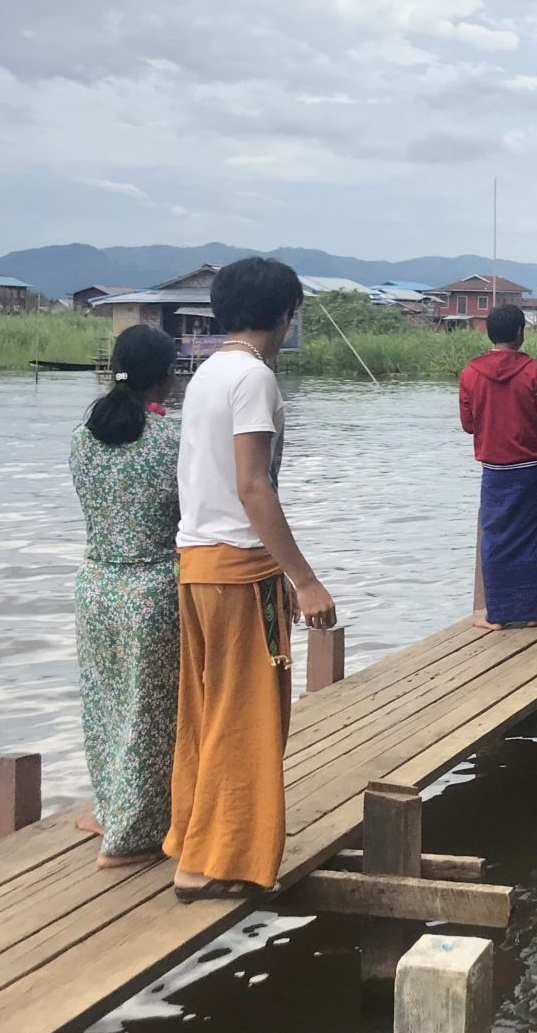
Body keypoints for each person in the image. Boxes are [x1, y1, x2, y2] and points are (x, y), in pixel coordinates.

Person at [165, 256, 337, 902]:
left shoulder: (207, 372)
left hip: (197, 562)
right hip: (240, 569)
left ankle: (191, 838)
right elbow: (252, 484)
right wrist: (305, 580)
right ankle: (216, 860)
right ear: (284, 316)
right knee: (248, 716)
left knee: (206, 710)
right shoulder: (254, 379)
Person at [69, 323, 181, 868]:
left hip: (96, 586)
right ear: (165, 376)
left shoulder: (82, 437)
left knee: (105, 706)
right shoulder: (169, 440)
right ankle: (132, 836)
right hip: (153, 587)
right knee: (152, 715)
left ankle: (111, 809)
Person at [460, 303, 537, 630]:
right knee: (532, 538)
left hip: (494, 470)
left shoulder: (470, 372)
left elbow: (468, 424)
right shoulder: (535, 370)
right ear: (520, 332)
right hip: (530, 466)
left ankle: (496, 615)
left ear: (489, 332)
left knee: (495, 539)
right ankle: (532, 613)